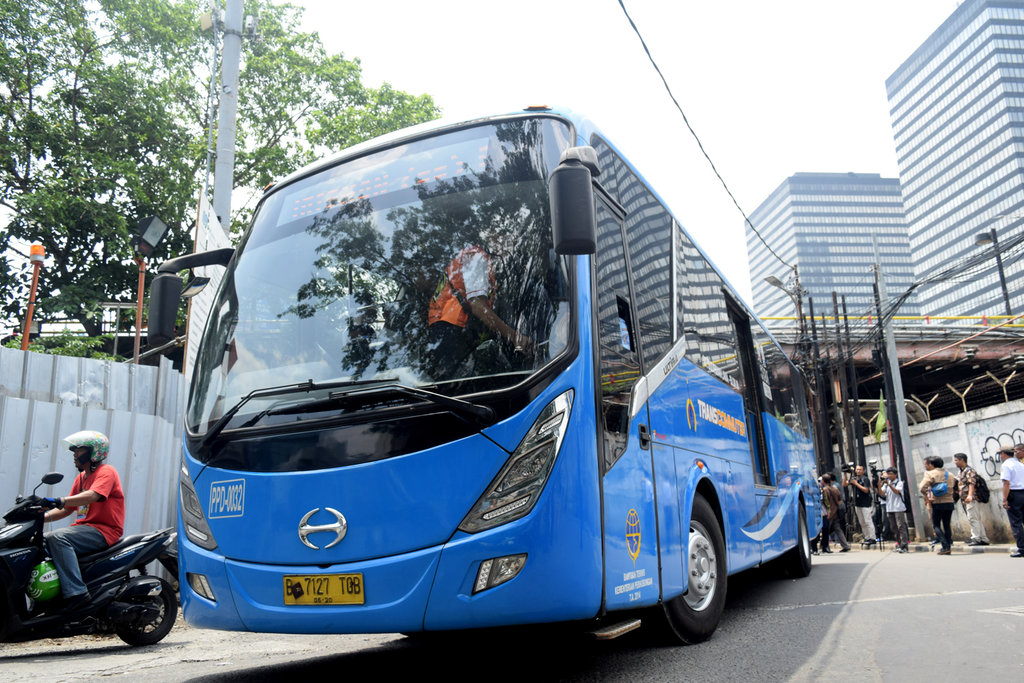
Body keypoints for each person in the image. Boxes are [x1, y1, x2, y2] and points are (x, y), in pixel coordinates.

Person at [42, 430, 125, 605]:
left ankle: (76, 593)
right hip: (84, 529)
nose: (74, 455)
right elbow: (67, 510)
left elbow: (93, 496)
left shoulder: (107, 472)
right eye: (74, 451)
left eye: (78, 450)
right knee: (39, 543)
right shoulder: (81, 478)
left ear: (93, 451)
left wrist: (59, 500)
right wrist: (40, 517)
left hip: (104, 530)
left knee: (56, 537)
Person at [427, 242, 533, 377]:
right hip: (451, 333)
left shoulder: (465, 256)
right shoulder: (476, 257)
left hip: (444, 332)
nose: (509, 242)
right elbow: (478, 307)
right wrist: (516, 338)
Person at [919, 455, 955, 555]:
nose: (925, 466)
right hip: (949, 502)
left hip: (937, 502)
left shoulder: (930, 474)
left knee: (936, 525)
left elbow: (922, 487)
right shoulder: (950, 474)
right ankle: (948, 545)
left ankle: (945, 546)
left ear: (931, 464)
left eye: (927, 464)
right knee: (947, 525)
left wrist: (926, 496)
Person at [954, 452, 990, 546]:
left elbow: (971, 483)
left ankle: (976, 538)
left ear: (962, 460)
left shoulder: (969, 471)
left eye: (956, 460)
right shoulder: (961, 471)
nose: (955, 462)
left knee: (973, 518)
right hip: (965, 499)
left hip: (971, 499)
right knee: (975, 518)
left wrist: (970, 495)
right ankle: (983, 538)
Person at [999, 446, 1024, 558]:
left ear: (1004, 454)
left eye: (1001, 454)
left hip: (1014, 494)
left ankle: (1022, 548)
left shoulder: (1006, 465)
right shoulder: (1020, 464)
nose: (1000, 456)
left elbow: (1006, 483)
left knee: (1016, 523)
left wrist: (1005, 499)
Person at [878, 467, 909, 553]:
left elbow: (896, 492)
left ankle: (904, 546)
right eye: (888, 474)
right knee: (893, 527)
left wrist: (889, 484)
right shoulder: (886, 484)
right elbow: (881, 493)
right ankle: (899, 544)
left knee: (900, 526)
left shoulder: (899, 483)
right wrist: (879, 482)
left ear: (895, 474)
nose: (889, 476)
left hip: (898, 507)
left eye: (890, 474)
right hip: (889, 508)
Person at [843, 465, 876, 545]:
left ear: (863, 471)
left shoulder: (865, 479)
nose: (858, 471)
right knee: (862, 522)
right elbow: (845, 484)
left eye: (860, 470)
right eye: (857, 469)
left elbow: (866, 490)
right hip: (857, 503)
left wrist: (856, 484)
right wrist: (845, 474)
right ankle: (867, 537)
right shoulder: (854, 478)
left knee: (868, 521)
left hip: (866, 503)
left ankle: (873, 538)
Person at [820, 473, 851, 553]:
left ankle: (825, 547)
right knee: (838, 530)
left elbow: (824, 502)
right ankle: (845, 545)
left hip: (829, 513)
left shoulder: (825, 490)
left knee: (826, 531)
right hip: (836, 512)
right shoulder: (835, 489)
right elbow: (840, 500)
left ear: (823, 481)